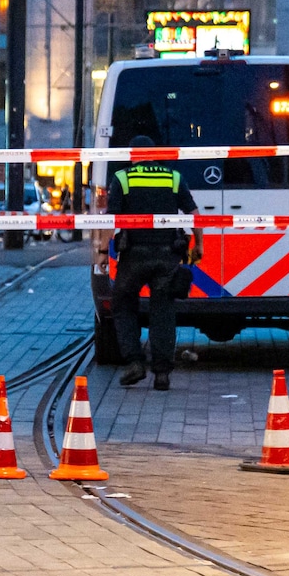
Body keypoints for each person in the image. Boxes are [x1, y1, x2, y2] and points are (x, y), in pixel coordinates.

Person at [104, 135, 199, 389]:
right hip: (167, 255)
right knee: (163, 312)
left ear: (132, 154)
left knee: (123, 304)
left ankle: (135, 362)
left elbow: (110, 219)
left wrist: (103, 251)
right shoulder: (173, 177)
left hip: (133, 256)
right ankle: (162, 374)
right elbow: (194, 214)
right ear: (155, 154)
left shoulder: (122, 178)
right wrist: (198, 244)